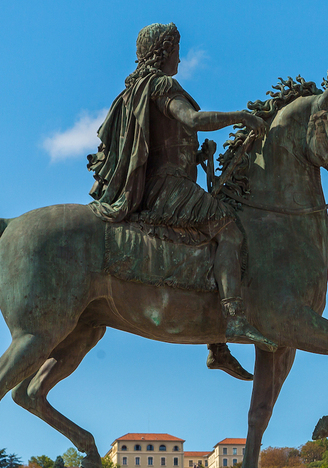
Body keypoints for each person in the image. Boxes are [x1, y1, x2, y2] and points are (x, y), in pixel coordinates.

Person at [88, 23, 273, 380]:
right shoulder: (162, 84)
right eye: (177, 49)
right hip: (167, 188)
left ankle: (216, 346)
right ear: (165, 49)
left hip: (155, 184)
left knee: (209, 235)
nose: (180, 57)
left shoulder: (133, 89)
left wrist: (193, 151)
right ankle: (233, 322)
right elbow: (192, 118)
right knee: (230, 231)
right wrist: (240, 117)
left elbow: (164, 137)